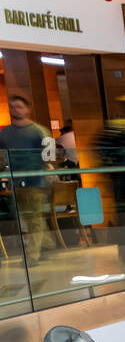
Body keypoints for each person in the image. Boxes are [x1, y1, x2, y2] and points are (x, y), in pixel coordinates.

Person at [0, 95, 53, 264]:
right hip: (15, 180)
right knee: (27, 216)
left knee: (34, 216)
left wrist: (44, 171)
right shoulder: (5, 132)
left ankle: (32, 255)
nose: (16, 110)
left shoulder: (39, 130)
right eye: (13, 107)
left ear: (27, 109)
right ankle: (47, 245)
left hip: (34, 180)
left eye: (19, 107)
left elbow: (49, 155)